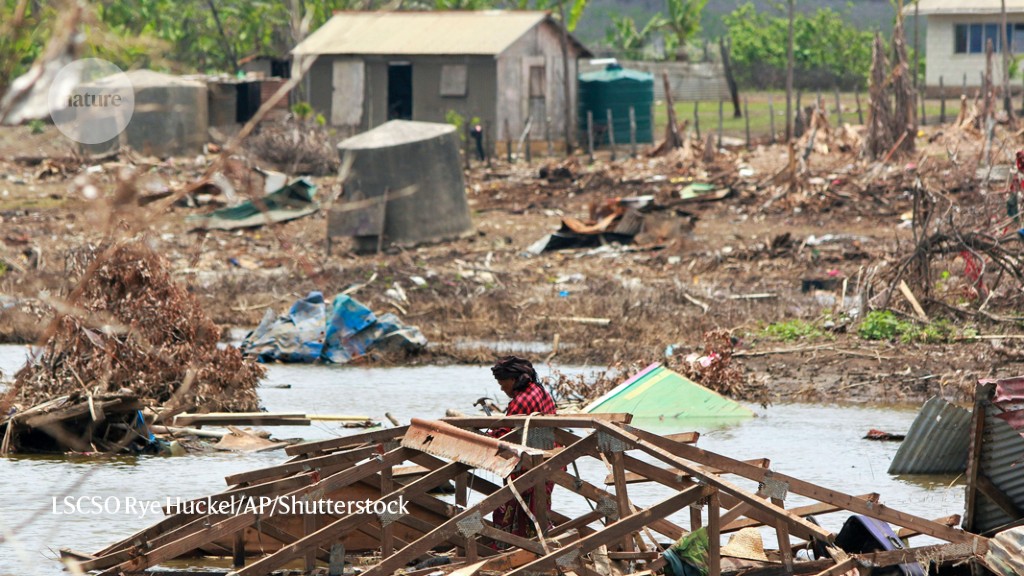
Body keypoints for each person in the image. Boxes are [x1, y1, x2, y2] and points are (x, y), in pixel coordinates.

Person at [488, 355, 556, 542]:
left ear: (513, 379)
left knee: (514, 511)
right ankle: (535, 544)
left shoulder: (523, 400)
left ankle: (518, 549)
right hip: (549, 461)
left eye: (503, 384)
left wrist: (486, 437)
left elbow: (505, 433)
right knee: (536, 511)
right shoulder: (540, 391)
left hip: (529, 466)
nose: (502, 388)